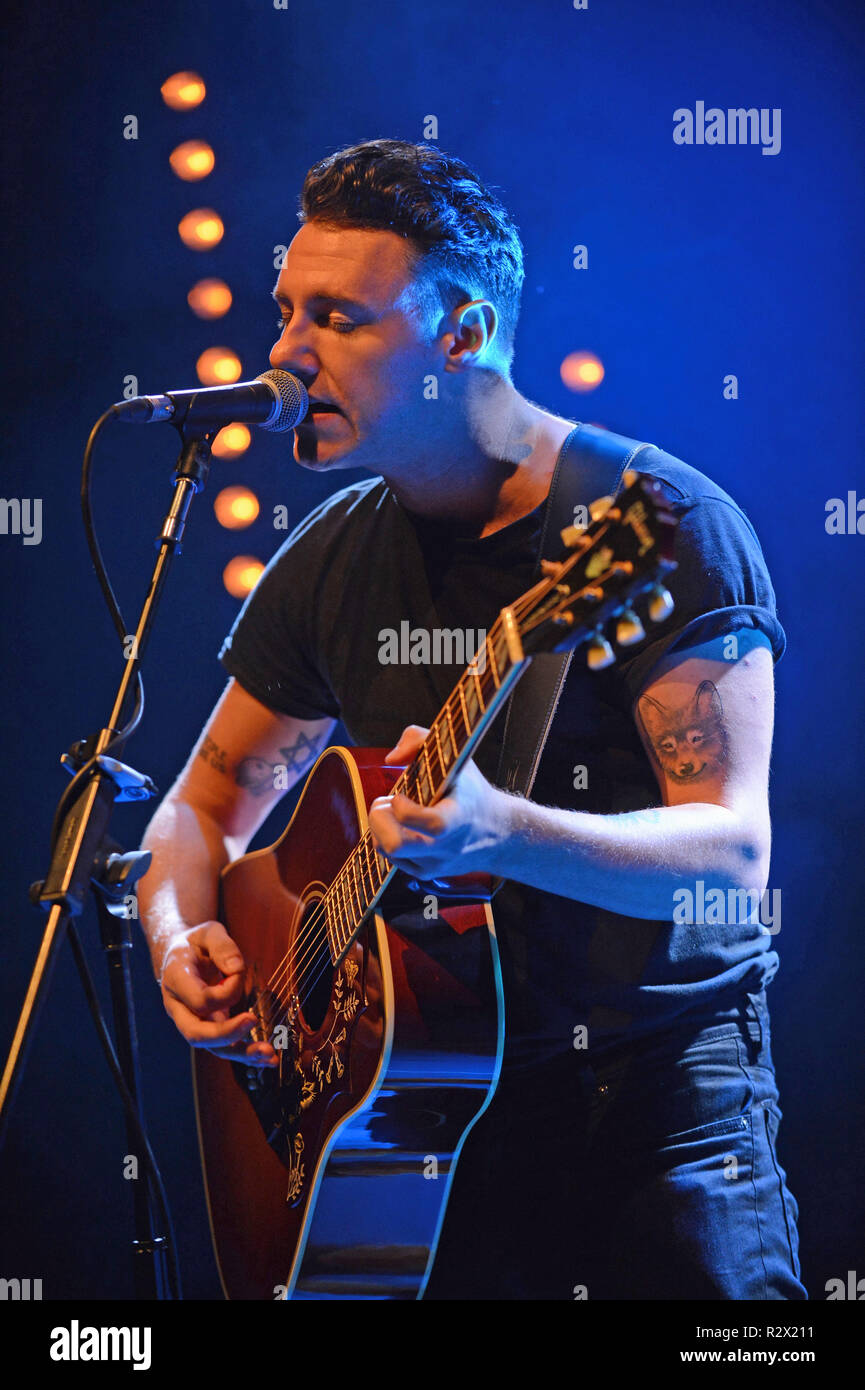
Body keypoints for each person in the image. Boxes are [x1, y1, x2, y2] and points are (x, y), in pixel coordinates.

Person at [137, 138, 806, 1300]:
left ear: (462, 337)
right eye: (285, 310)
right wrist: (174, 934)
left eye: (337, 318)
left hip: (652, 1126)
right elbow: (197, 809)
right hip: (420, 1127)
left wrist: (506, 834)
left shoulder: (656, 525)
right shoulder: (333, 555)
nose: (285, 353)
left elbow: (733, 860)